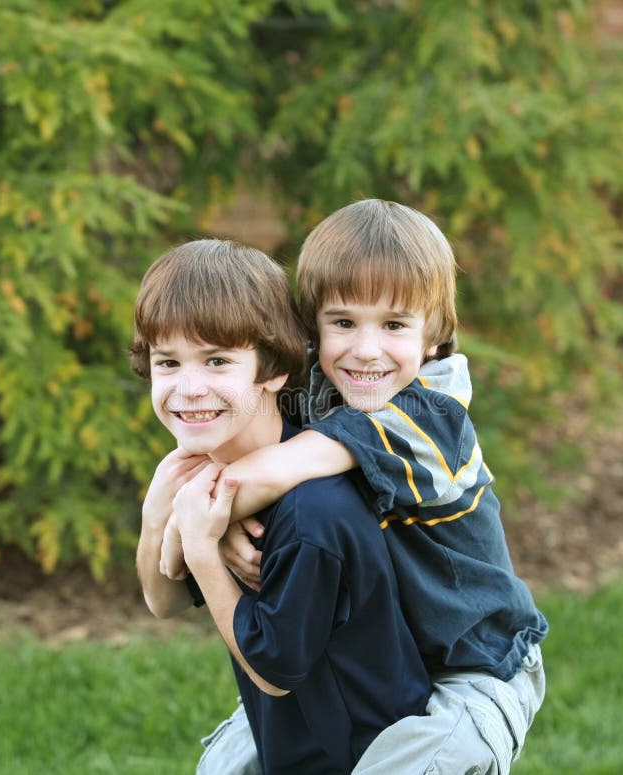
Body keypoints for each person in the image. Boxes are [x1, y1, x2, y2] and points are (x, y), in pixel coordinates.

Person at [176, 200, 548, 773]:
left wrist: (215, 523)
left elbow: (269, 471)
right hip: (370, 658)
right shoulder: (318, 388)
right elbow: (221, 445)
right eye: (343, 322)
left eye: (395, 325)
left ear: (435, 335)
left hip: (474, 666)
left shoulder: (431, 418)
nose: (366, 349)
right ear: (311, 326)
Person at [132, 239, 431, 774]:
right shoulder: (216, 473)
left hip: (365, 757)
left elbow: (274, 670)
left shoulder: (311, 510)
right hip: (294, 745)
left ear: (272, 371)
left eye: (218, 360)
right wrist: (159, 513)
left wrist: (200, 547)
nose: (189, 388)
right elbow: (165, 602)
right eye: (168, 362)